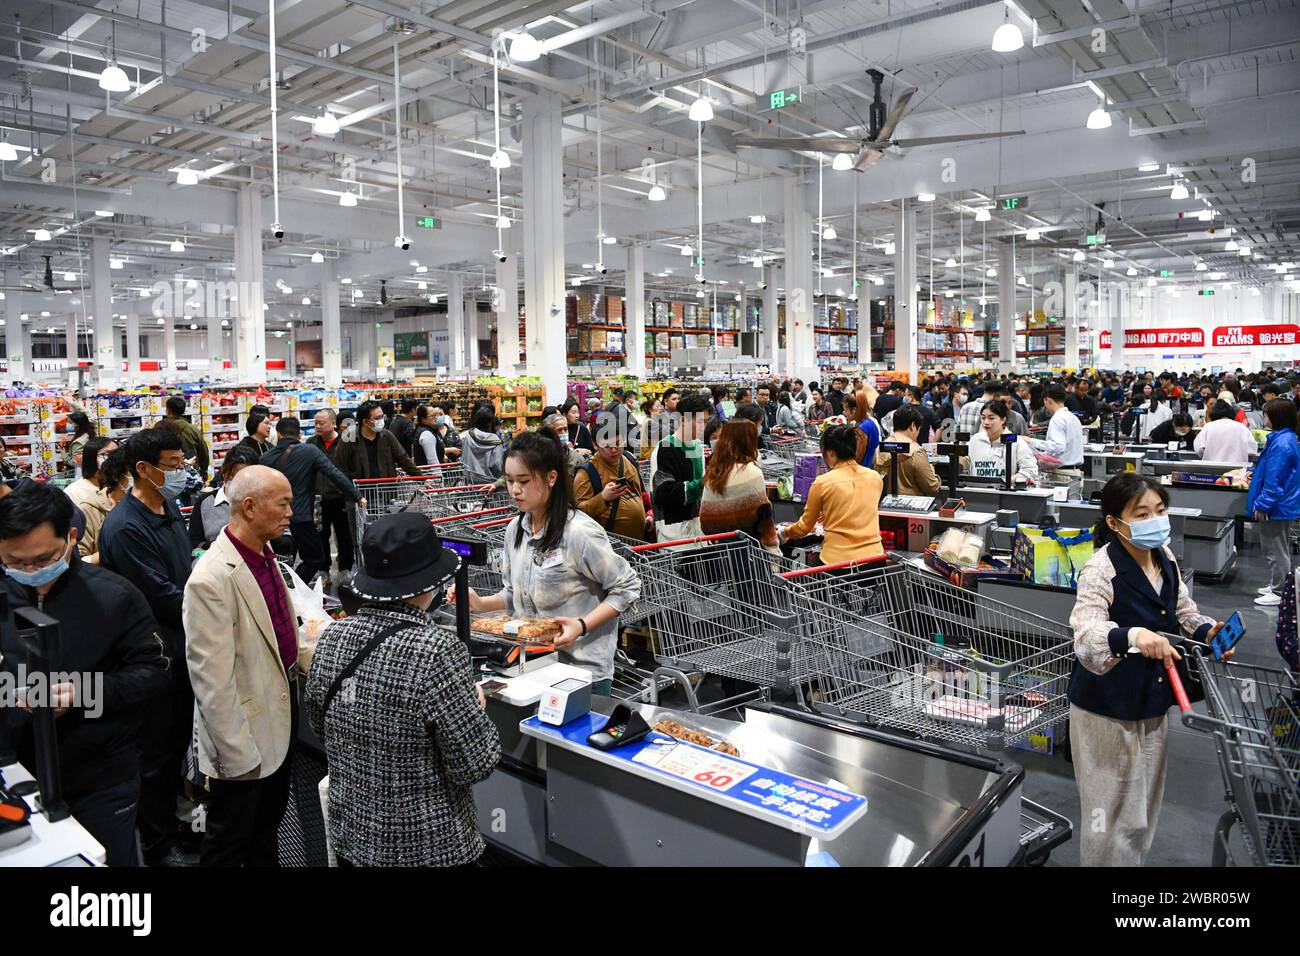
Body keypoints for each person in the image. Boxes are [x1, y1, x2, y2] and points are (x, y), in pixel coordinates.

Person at [306, 513, 500, 867]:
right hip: (431, 846)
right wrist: (474, 707)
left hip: (355, 838)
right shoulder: (438, 651)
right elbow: (475, 764)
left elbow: (322, 726)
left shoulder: (333, 638)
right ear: (431, 583)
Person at [0, 481, 170, 867]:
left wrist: (81, 692)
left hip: (100, 776)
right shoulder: (4, 590)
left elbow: (156, 671)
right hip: (17, 766)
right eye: (14, 561)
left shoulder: (114, 596)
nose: (29, 571)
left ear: (71, 538)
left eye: (43, 559)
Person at [1068, 473, 1225, 866]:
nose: (1155, 519)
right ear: (1114, 522)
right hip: (1106, 708)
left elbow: (1182, 609)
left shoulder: (1164, 556)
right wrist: (1134, 635)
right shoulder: (1099, 569)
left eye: (1159, 510)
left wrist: (1208, 630)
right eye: (1141, 513)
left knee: (1141, 811)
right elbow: (1086, 634)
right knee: (1107, 812)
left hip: (1153, 701)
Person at [455, 431, 641, 695]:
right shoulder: (515, 529)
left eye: (523, 480)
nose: (515, 490)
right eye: (509, 481)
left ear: (551, 478)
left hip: (581, 673)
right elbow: (513, 594)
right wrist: (480, 604)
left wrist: (581, 625)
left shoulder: (579, 532)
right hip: (530, 665)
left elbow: (627, 587)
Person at [183, 466, 298, 867]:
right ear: (249, 507)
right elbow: (211, 681)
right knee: (230, 843)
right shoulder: (212, 579)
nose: (290, 512)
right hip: (245, 744)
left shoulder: (266, 557)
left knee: (264, 833)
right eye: (283, 503)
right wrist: (239, 757)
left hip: (276, 725)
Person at [99, 428, 196, 867]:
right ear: (143, 469)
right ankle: (155, 844)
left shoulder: (169, 505)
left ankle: (175, 820)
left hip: (183, 646)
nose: (181, 472)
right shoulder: (124, 528)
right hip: (152, 656)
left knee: (177, 742)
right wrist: (211, 610)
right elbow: (160, 594)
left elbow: (184, 567)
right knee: (154, 752)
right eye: (173, 465)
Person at [262, 417, 361, 585]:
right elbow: (334, 474)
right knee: (314, 558)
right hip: (300, 517)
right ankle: (292, 588)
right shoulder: (310, 451)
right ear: (299, 434)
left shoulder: (266, 457)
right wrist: (357, 496)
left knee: (281, 560)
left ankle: (283, 590)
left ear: (278, 435)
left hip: (272, 518)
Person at [782, 424, 884, 564]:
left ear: (830, 453)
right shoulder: (875, 478)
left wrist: (784, 532)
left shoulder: (822, 483)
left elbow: (804, 527)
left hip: (837, 564)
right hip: (875, 559)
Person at [699, 420, 780, 553]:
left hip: (719, 553)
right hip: (751, 553)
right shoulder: (752, 472)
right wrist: (775, 553)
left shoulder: (712, 473)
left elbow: (705, 521)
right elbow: (764, 522)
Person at [1248, 399, 1299, 607]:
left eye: (1267, 414)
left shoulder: (1282, 443)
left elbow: (1275, 480)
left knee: (1275, 549)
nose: (1264, 418)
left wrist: (1263, 504)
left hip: (1277, 505)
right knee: (1278, 547)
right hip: (1282, 503)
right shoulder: (1283, 439)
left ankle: (1280, 592)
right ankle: (1277, 584)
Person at [572, 413, 647, 542]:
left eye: (618, 443)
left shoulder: (629, 458)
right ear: (595, 445)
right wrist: (603, 498)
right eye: (607, 446)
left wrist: (649, 513)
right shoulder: (586, 472)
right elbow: (578, 513)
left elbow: (641, 493)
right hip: (608, 545)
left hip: (640, 543)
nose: (614, 450)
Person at [651, 392, 712, 541]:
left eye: (706, 421)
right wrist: (702, 483)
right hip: (674, 535)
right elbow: (663, 493)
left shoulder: (697, 446)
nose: (703, 427)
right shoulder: (666, 448)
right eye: (699, 422)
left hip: (698, 530)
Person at [307, 409, 353, 583]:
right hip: (319, 498)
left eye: (322, 423)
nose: (318, 426)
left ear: (333, 423)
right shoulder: (311, 443)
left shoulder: (346, 442)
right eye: (316, 423)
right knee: (320, 535)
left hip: (341, 497)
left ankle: (345, 568)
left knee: (344, 535)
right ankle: (323, 569)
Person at [189, 445, 261, 549]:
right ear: (224, 472)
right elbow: (194, 541)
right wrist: (213, 546)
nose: (237, 480)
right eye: (233, 474)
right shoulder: (205, 502)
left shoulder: (261, 501)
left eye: (244, 476)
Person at [337, 400, 422, 481]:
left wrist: (422, 478)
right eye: (377, 418)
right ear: (365, 422)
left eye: (382, 416)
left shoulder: (386, 436)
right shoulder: (348, 438)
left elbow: (403, 459)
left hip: (386, 490)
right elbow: (340, 468)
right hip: (360, 491)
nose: (381, 420)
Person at [963, 399, 1039, 485]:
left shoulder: (1017, 442)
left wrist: (1007, 481)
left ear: (1003, 420)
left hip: (1005, 495)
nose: (986, 422)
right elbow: (965, 463)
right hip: (977, 492)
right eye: (983, 418)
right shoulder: (975, 440)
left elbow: (1030, 470)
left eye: (991, 418)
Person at [78, 446, 131, 562]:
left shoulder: (153, 505)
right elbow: (80, 560)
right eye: (134, 474)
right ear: (116, 476)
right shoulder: (90, 509)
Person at [875, 406, 943, 496]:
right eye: (918, 430)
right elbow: (932, 487)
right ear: (913, 426)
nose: (917, 434)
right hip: (912, 507)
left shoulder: (879, 448)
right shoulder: (916, 451)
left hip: (883, 505)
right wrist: (932, 471)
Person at [1026, 384, 1084, 472]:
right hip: (1075, 469)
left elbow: (1058, 446)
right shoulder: (1073, 417)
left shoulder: (1057, 419)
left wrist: (1030, 441)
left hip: (1063, 471)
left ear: (1048, 400)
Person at [163, 395, 210, 480]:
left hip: (166, 473)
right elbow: (203, 452)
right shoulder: (192, 429)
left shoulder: (159, 427)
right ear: (183, 411)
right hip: (190, 472)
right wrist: (204, 471)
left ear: (168, 410)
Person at [458, 406, 508, 485]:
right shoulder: (494, 440)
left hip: (469, 482)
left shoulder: (468, 435)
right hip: (489, 485)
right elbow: (498, 465)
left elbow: (463, 458)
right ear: (490, 422)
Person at [65, 436, 116, 510]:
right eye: (108, 454)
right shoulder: (73, 493)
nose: (117, 458)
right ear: (91, 458)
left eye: (118, 453)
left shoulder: (117, 488)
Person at [851, 388, 881, 468]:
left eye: (846, 410)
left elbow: (858, 457)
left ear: (854, 410)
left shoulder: (861, 428)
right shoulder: (869, 422)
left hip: (865, 467)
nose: (844, 413)